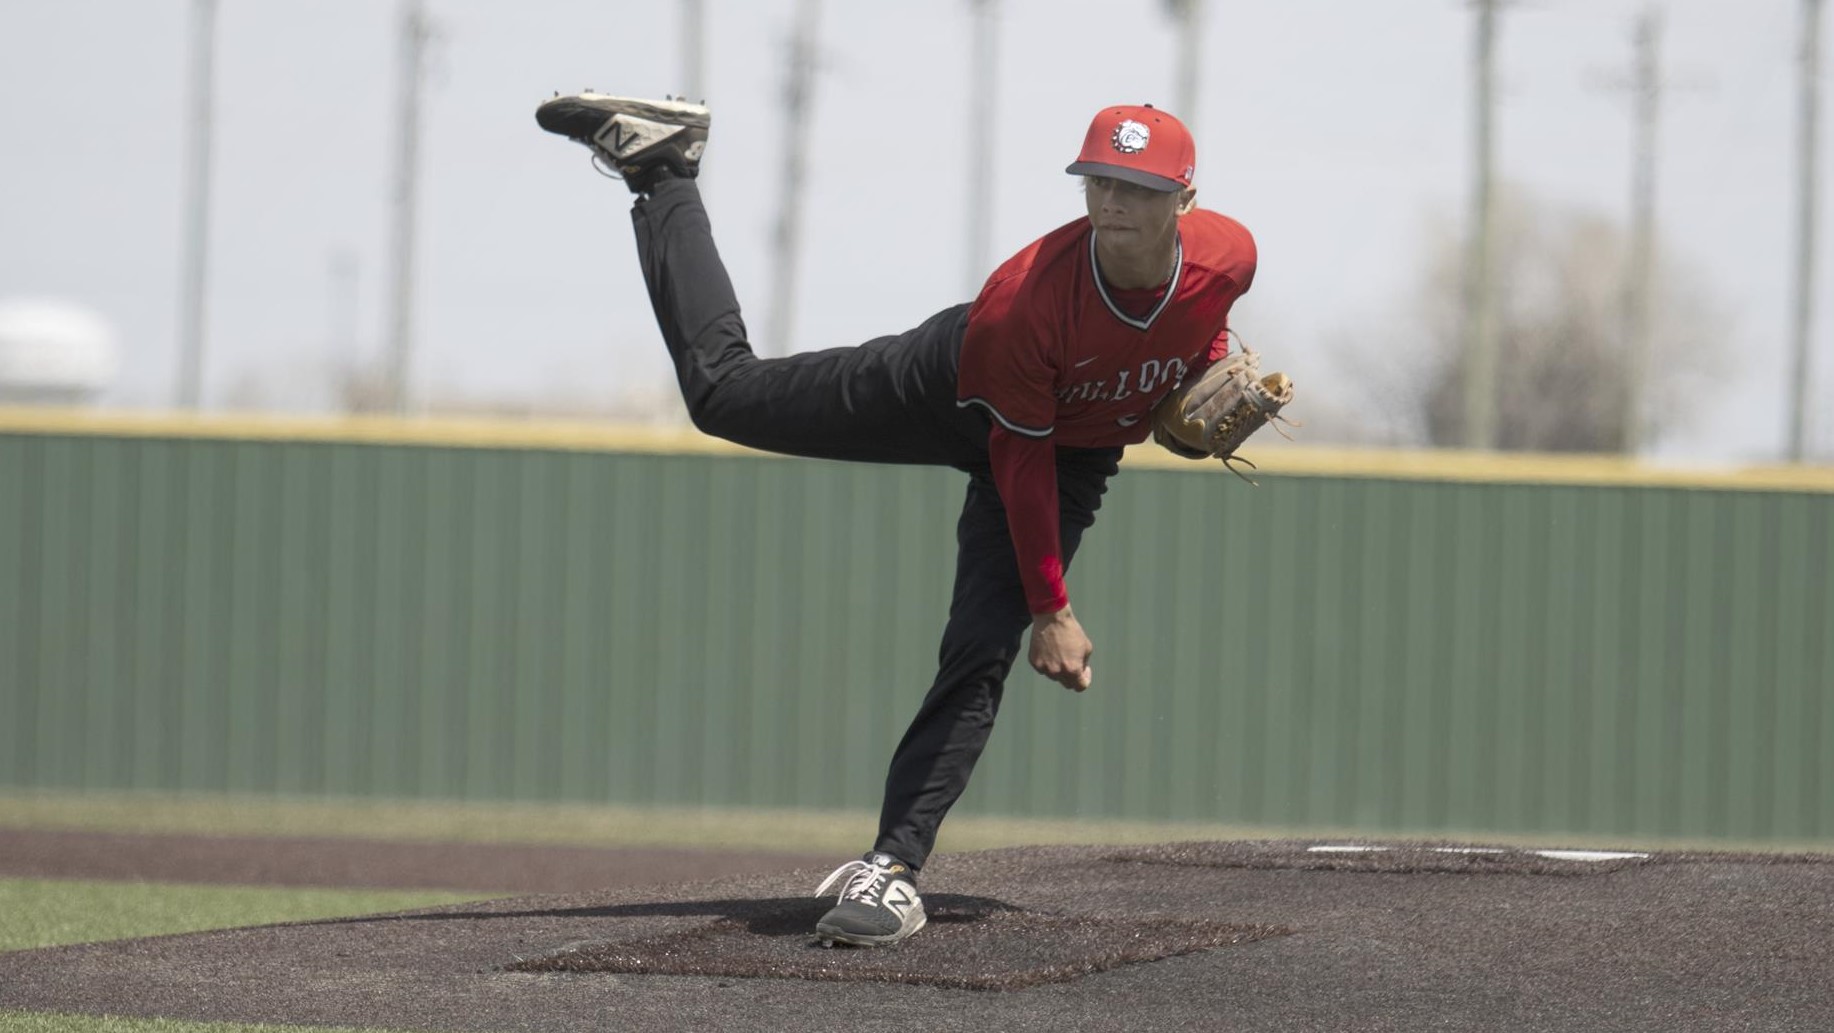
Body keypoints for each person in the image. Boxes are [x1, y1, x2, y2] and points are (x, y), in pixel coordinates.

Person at [535, 92, 1256, 947]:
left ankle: (891, 870)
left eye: (1136, 187)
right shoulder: (1026, 303)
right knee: (726, 396)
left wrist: (1201, 372)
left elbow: (1198, 324)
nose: (1111, 203)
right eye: (1098, 181)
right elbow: (1016, 466)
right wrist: (1053, 610)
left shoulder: (1232, 258)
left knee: (979, 647)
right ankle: (661, 170)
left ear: (1186, 202)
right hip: (949, 389)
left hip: (1073, 451)